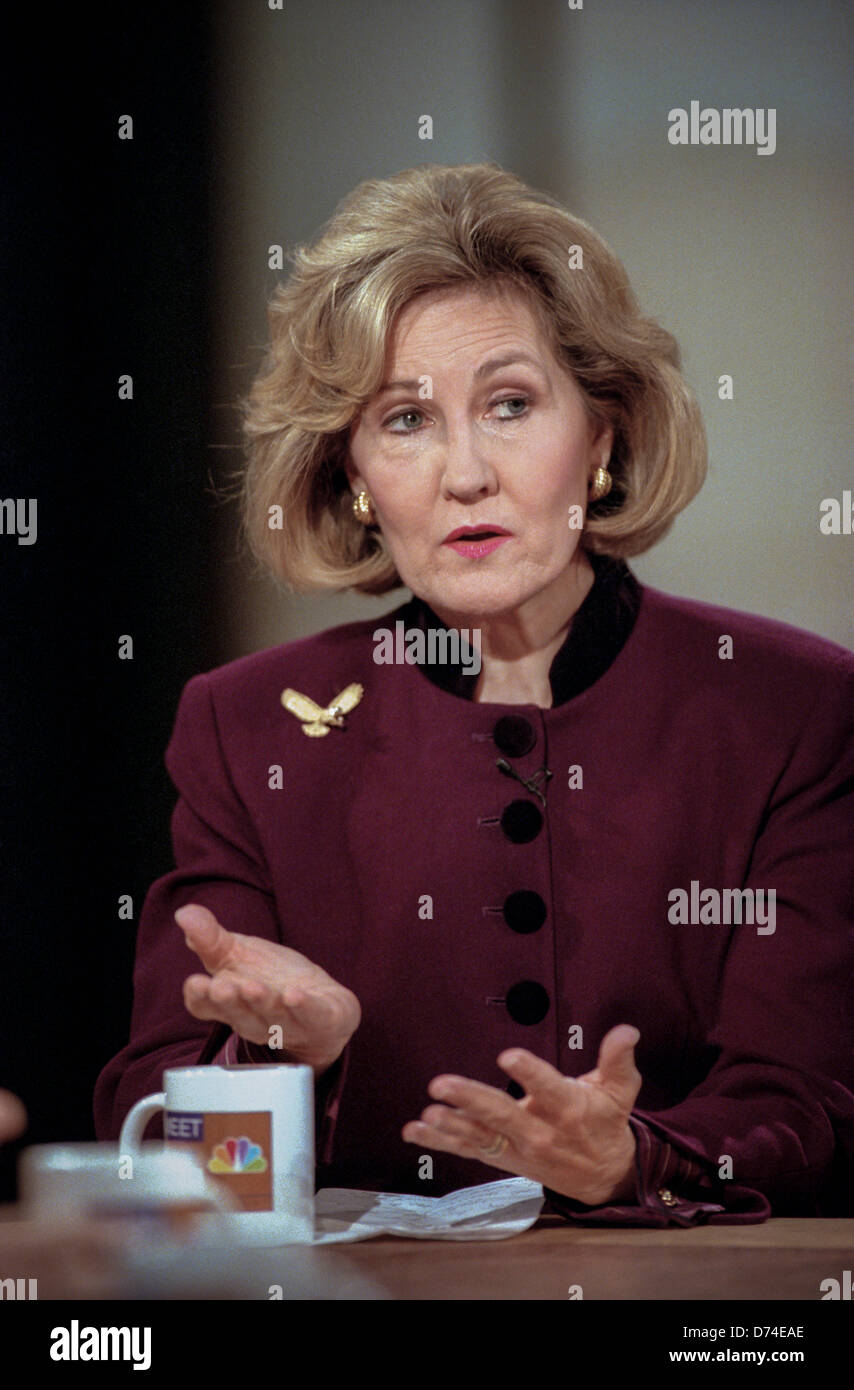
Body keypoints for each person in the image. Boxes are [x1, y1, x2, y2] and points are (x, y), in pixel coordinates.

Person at [94, 162, 854, 1226]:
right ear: (351, 472)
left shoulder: (787, 707)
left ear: (600, 434)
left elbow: (812, 1099)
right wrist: (277, 1064)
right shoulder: (245, 726)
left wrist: (634, 1157)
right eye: (404, 419)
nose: (464, 473)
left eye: (508, 404)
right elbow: (152, 1144)